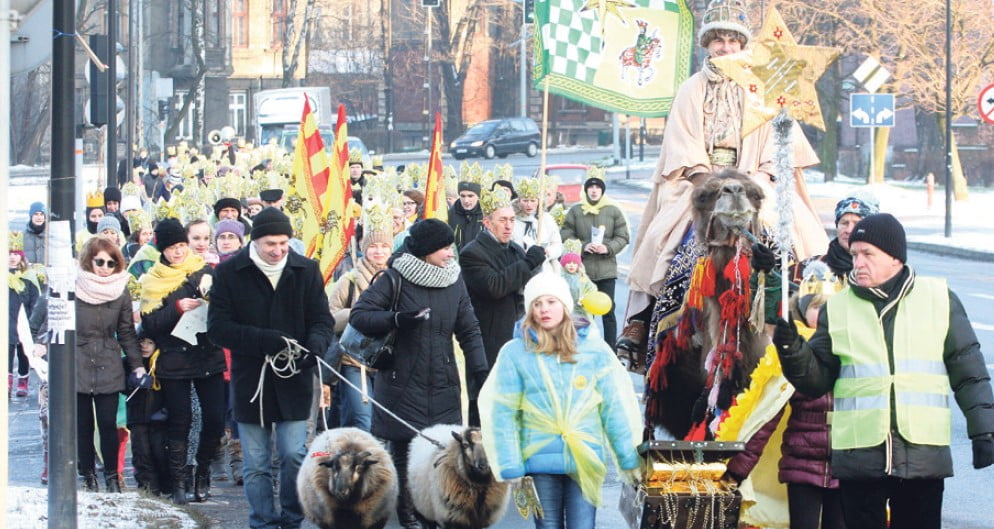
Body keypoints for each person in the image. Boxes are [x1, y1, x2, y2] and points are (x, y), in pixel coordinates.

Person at [621, 0, 826, 359]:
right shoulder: (690, 90)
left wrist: (755, 179)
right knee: (668, 243)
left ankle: (810, 313)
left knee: (795, 242)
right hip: (702, 186)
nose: (726, 47)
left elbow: (777, 149)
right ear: (707, 44)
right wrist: (711, 185)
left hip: (755, 184)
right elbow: (683, 148)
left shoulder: (765, 88)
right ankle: (644, 320)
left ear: (743, 44)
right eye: (718, 40)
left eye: (733, 40)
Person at [772, 213, 994, 529]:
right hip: (860, 457)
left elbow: (969, 371)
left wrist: (984, 429)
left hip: (922, 457)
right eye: (854, 254)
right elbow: (816, 379)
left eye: (868, 254)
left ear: (894, 258)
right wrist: (791, 349)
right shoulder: (838, 308)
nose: (858, 262)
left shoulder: (938, 299)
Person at [350, 218, 488, 529]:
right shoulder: (394, 278)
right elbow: (361, 316)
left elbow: (470, 329)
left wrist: (480, 369)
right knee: (405, 455)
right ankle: (409, 516)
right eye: (444, 248)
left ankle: (430, 516)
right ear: (426, 250)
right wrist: (397, 319)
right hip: (401, 382)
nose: (451, 254)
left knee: (439, 457)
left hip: (444, 381)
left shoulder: (454, 280)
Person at [477, 272, 642, 529]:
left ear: (565, 305)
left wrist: (628, 457)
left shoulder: (594, 350)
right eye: (537, 303)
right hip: (539, 461)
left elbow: (614, 407)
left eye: (551, 302)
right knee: (548, 525)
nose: (544, 309)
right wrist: (510, 463)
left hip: (584, 459)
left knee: (582, 525)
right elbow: (503, 411)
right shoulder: (515, 353)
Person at [207, 207, 335, 529]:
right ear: (255, 242)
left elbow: (322, 320)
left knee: (293, 454)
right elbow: (218, 329)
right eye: (270, 244)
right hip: (252, 378)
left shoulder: (306, 269)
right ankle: (262, 521)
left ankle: (293, 518)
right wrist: (264, 340)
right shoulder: (229, 273)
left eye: (283, 243)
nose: (278, 250)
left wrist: (315, 345)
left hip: (295, 374)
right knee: (256, 462)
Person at [139, 218, 226, 504]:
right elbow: (150, 324)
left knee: (214, 417)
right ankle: (178, 481)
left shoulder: (202, 270)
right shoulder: (152, 280)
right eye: (171, 248)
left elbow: (224, 306)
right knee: (180, 419)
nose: (177, 252)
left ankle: (202, 470)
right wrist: (176, 307)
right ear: (161, 249)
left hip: (206, 352)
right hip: (174, 356)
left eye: (180, 246)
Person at [74, 237, 144, 492]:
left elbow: (126, 331)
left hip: (108, 360)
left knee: (108, 423)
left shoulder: (120, 289)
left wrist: (137, 364)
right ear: (89, 260)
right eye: (100, 261)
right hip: (78, 359)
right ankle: (88, 476)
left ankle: (113, 477)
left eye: (111, 262)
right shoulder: (74, 284)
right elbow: (51, 319)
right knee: (82, 425)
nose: (105, 266)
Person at [461, 188, 546, 370]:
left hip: (519, 331)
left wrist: (537, 267)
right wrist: (529, 262)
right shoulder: (472, 253)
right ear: (487, 223)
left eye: (512, 220)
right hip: (490, 336)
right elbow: (495, 286)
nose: (508, 226)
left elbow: (525, 283)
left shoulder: (514, 247)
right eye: (502, 220)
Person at [324, 207, 393, 431]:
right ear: (364, 247)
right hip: (354, 361)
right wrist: (358, 315)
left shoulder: (398, 279)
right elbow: (330, 317)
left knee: (384, 421)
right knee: (364, 420)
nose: (379, 251)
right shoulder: (349, 280)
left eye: (384, 246)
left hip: (387, 360)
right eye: (373, 246)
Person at [560, 176, 629, 348]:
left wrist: (608, 248)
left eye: (598, 187)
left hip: (606, 270)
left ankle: (611, 349)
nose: (594, 190)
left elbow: (623, 236)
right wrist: (583, 246)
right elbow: (565, 233)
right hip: (582, 271)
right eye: (591, 187)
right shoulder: (576, 211)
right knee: (583, 310)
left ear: (602, 191)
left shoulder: (613, 211)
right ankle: (583, 345)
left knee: (608, 311)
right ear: (586, 190)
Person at [126, 332, 171, 495]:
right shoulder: (129, 364)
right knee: (141, 452)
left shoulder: (163, 364)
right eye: (142, 342)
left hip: (159, 416)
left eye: (150, 343)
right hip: (137, 416)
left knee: (159, 451)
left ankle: (165, 485)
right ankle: (148, 487)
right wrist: (131, 382)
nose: (145, 346)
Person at [8, 231, 39, 398]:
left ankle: (23, 380)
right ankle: (7, 381)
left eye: (15, 254)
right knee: (6, 351)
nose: (13, 257)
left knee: (23, 353)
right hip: (7, 322)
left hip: (23, 320)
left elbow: (34, 300)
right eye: (9, 254)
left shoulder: (28, 277)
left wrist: (32, 319)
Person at [821, 194, 879, 279]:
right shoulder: (813, 268)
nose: (849, 230)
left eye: (857, 224)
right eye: (844, 223)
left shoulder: (882, 271)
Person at [512, 177, 563, 268]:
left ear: (539, 201)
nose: (529, 205)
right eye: (525, 200)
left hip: (545, 267)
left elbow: (557, 244)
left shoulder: (547, 219)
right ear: (519, 201)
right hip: (519, 266)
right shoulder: (512, 220)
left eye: (533, 200)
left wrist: (548, 252)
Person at [448, 180, 484, 251]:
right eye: (463, 196)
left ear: (478, 196)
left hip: (480, 260)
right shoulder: (450, 215)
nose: (466, 200)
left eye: (470, 196)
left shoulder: (486, 215)